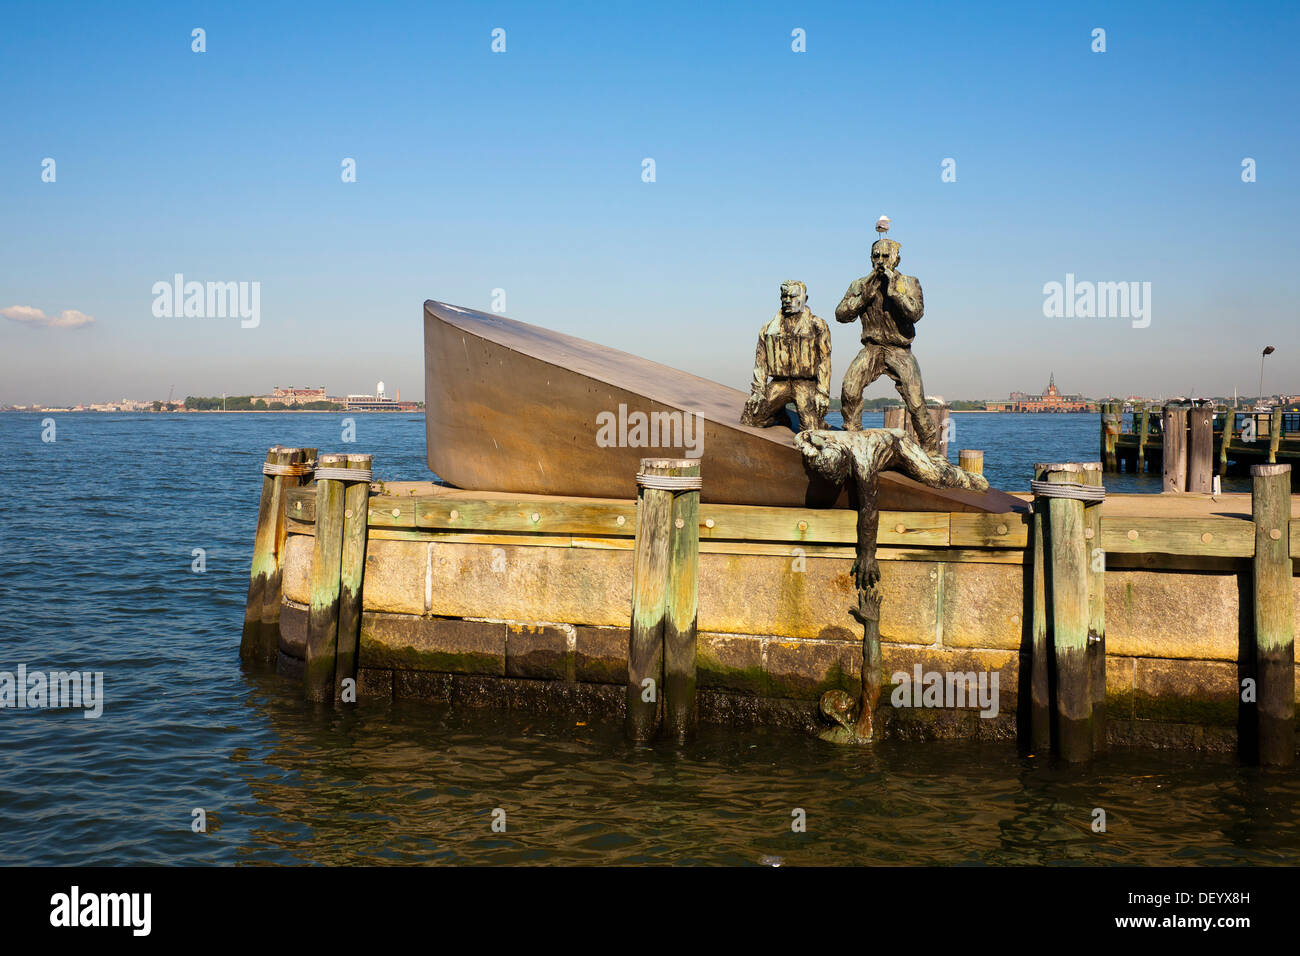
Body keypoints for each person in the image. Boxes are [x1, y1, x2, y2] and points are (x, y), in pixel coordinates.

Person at [835, 238, 939, 454]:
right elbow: (841, 315)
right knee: (849, 388)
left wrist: (895, 293)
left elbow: (916, 313)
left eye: (885, 256)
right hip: (872, 348)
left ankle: (930, 448)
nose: (880, 261)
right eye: (876, 256)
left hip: (899, 350)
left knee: (916, 403)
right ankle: (853, 436)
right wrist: (863, 298)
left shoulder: (909, 282)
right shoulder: (860, 285)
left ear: (896, 259)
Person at [740, 280, 831, 431]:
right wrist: (758, 391)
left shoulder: (817, 325)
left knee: (811, 430)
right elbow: (760, 362)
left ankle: (818, 421)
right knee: (751, 417)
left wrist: (822, 392)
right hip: (779, 383)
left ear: (804, 298)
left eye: (793, 296)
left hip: (805, 384)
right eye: (784, 297)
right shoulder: (768, 328)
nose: (788, 300)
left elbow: (825, 361)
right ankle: (778, 413)